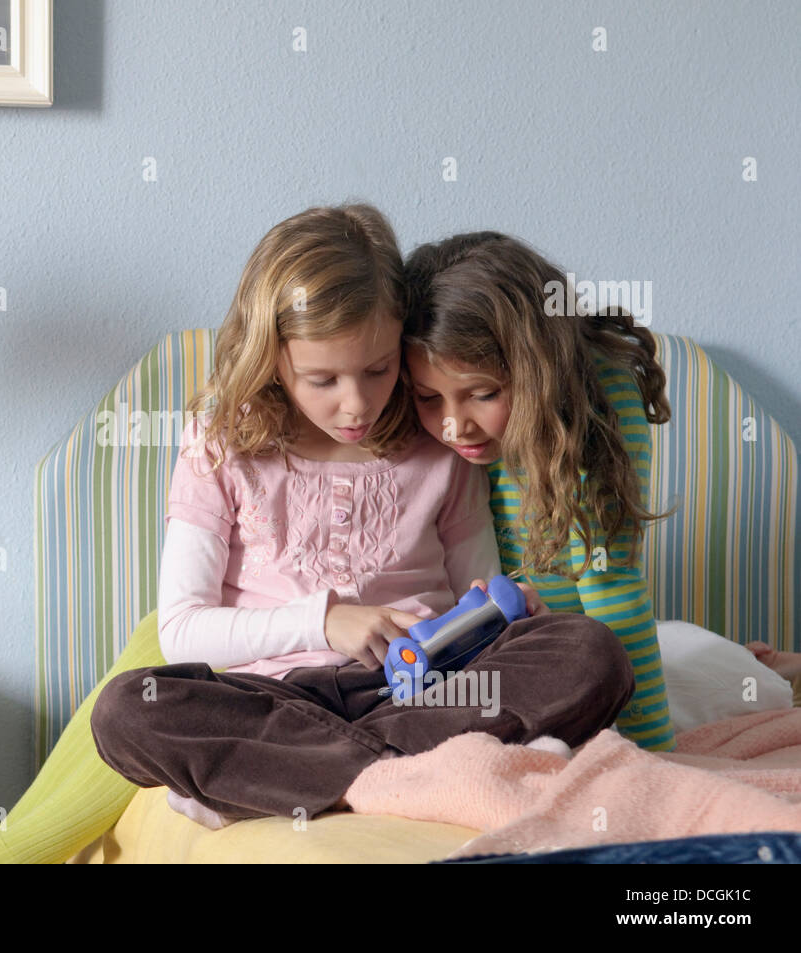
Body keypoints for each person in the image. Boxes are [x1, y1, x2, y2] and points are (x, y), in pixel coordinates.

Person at [89, 204, 636, 828]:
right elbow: (182, 630)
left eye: (378, 370)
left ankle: (301, 778)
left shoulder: (439, 442)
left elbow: (476, 589)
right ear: (271, 358)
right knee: (127, 711)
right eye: (323, 379)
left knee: (590, 653)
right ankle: (408, 774)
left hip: (428, 689)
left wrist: (496, 611)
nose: (357, 404)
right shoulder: (219, 446)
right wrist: (324, 623)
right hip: (275, 698)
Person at [401, 231, 678, 751]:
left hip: (582, 647)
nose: (454, 425)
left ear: (537, 373)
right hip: (496, 641)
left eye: (482, 394)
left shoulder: (599, 397)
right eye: (428, 397)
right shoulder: (427, 421)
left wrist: (654, 752)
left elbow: (609, 585)